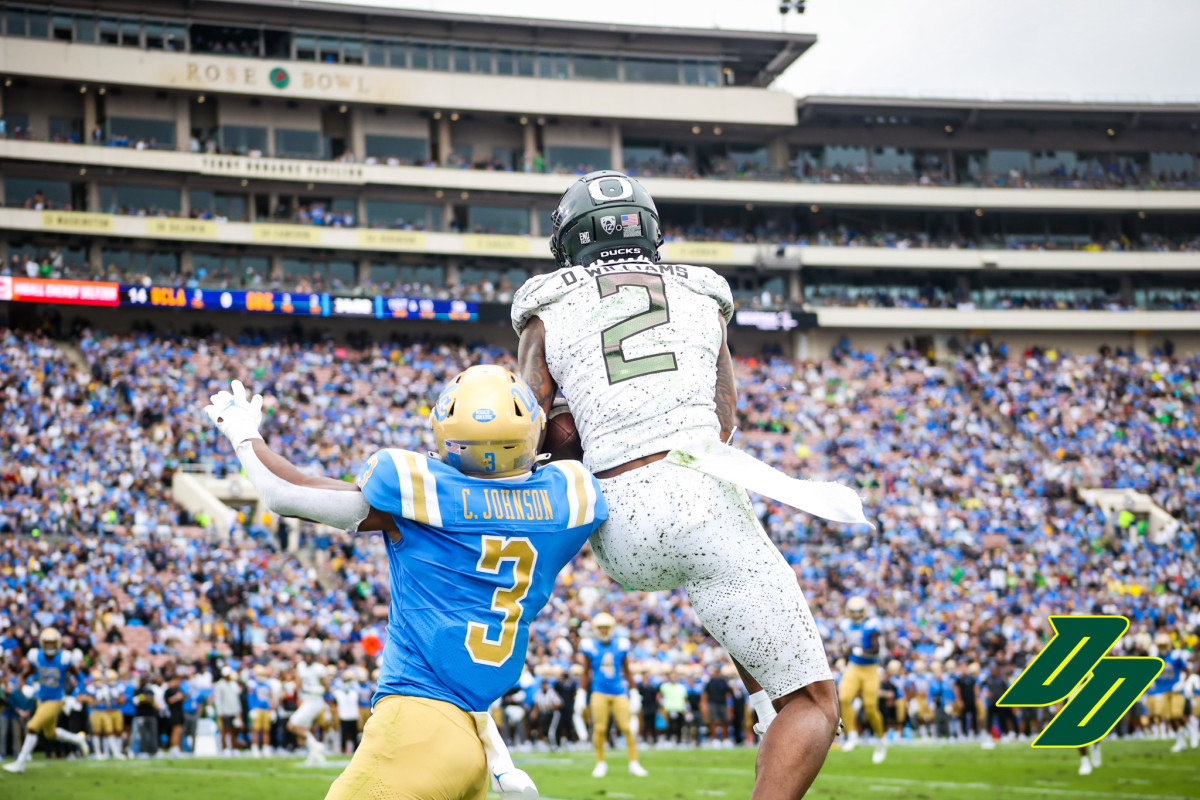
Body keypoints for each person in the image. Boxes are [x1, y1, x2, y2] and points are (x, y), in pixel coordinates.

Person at [514, 170, 869, 800]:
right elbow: (724, 421)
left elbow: (527, 430)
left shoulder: (545, 306)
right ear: (651, 231)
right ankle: (774, 718)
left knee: (748, 644)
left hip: (615, 521)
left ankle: (763, 710)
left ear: (569, 239)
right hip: (701, 502)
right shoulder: (702, 290)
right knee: (812, 703)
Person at [201, 368, 606, 800]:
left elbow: (284, 492)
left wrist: (242, 431)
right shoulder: (570, 499)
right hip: (473, 739)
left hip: (414, 725)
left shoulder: (421, 493)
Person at [2, 628, 89, 773]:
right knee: (50, 734)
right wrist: (25, 687)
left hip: (56, 700)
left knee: (32, 726)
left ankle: (20, 763)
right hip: (41, 699)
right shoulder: (36, 656)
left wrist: (73, 696)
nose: (49, 646)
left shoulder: (64, 658)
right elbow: (24, 675)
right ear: (42, 643)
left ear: (58, 643)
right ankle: (78, 738)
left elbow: (80, 678)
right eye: (47, 643)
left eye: (52, 643)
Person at [579, 613, 646, 776]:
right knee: (600, 728)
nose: (603, 631)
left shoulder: (621, 644)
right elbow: (585, 672)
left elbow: (627, 671)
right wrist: (581, 692)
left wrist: (634, 691)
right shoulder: (589, 645)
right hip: (599, 691)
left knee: (627, 728)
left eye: (606, 628)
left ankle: (634, 762)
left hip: (618, 691)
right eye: (601, 628)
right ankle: (600, 762)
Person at [838, 596, 886, 762]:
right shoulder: (845, 625)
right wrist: (845, 653)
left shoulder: (871, 625)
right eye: (853, 611)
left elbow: (875, 649)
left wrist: (859, 651)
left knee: (870, 706)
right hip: (854, 667)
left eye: (859, 611)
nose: (856, 614)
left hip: (870, 668)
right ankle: (852, 735)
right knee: (844, 698)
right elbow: (846, 647)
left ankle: (880, 739)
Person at [289, 650, 331, 765]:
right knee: (304, 727)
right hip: (305, 699)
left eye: (309, 656)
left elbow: (327, 686)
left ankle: (315, 745)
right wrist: (291, 687)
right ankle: (314, 753)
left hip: (315, 699)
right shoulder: (301, 666)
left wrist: (320, 689)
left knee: (292, 725)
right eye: (306, 656)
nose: (308, 658)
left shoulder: (319, 668)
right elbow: (298, 683)